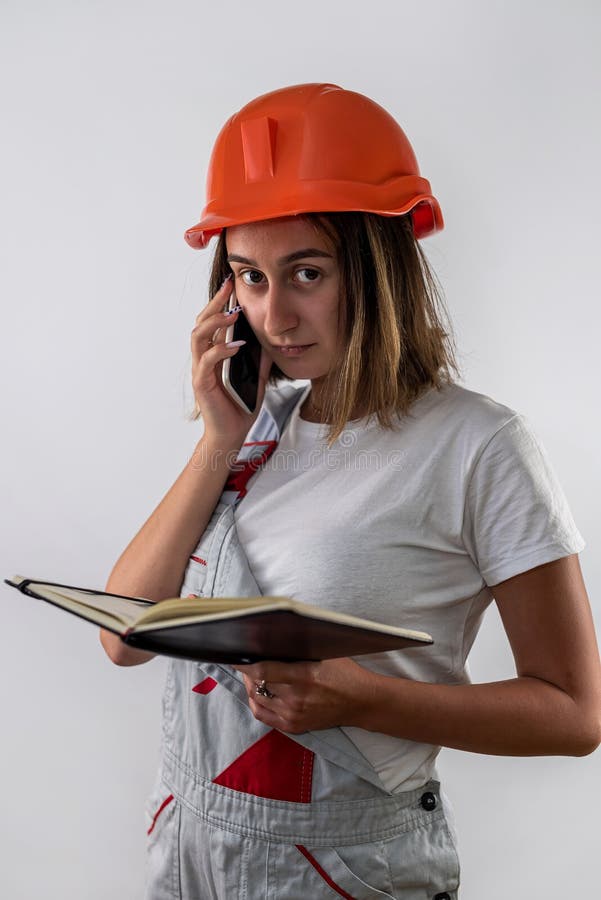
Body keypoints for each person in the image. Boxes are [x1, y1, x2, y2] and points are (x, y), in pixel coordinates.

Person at [100, 83, 601, 900]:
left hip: (344, 871)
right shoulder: (254, 425)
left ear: (378, 265)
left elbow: (574, 715)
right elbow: (123, 636)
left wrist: (366, 698)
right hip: (190, 856)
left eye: (306, 273)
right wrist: (217, 438)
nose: (274, 316)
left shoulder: (476, 446)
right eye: (248, 277)